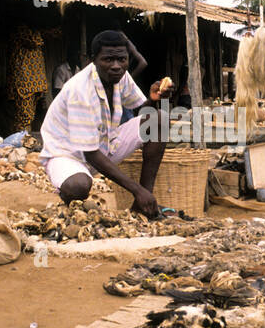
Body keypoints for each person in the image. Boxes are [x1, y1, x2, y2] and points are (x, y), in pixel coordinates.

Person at [40, 30, 171, 217]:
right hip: (67, 154)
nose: (116, 66)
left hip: (104, 143)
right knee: (78, 186)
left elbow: (143, 112)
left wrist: (153, 99)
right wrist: (136, 189)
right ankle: (70, 202)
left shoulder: (120, 76)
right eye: (108, 60)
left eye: (122, 59)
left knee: (158, 119)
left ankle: (142, 205)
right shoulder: (80, 91)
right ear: (94, 60)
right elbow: (91, 154)